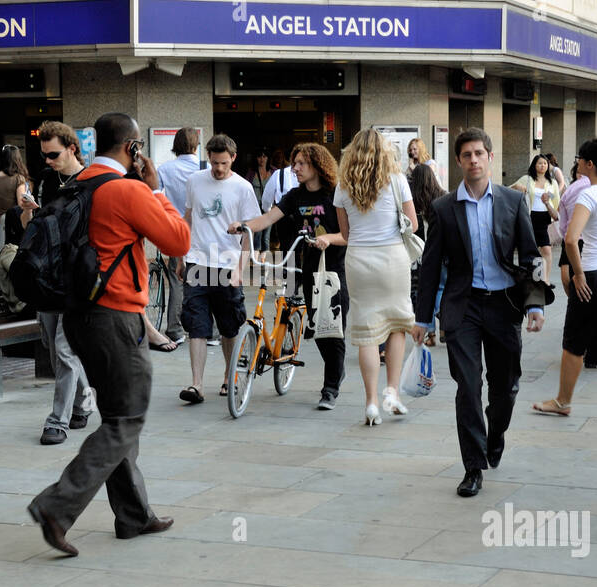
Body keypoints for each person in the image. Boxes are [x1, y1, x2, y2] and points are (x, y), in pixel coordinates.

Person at [25, 112, 191, 557]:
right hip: (117, 319)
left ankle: (134, 515)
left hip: (79, 318)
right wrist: (156, 188)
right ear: (134, 148)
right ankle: (57, 508)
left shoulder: (77, 185)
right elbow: (178, 240)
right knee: (126, 419)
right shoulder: (127, 190)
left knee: (118, 414)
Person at [413, 128, 546, 497]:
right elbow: (430, 265)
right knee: (468, 387)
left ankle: (496, 433)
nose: (473, 160)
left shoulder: (511, 201)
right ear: (458, 161)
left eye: (479, 153)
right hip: (463, 307)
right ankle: (473, 467)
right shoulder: (443, 208)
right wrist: (422, 318)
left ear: (490, 157)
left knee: (504, 389)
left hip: (504, 305)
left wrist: (535, 302)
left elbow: (531, 255)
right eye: (466, 155)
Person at [230, 142, 349, 410]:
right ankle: (336, 369)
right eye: (294, 163)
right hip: (309, 269)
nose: (294, 168)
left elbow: (347, 234)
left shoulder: (335, 194)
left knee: (333, 332)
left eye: (301, 164)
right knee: (318, 331)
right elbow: (268, 218)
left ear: (317, 166)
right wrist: (244, 226)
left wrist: (328, 239)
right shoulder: (294, 196)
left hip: (332, 271)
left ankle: (330, 387)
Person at [531, 139, 597, 423]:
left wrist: (577, 274)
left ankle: (563, 401)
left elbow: (571, 238)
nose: (576, 164)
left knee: (575, 341)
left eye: (580, 159)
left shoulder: (588, 196)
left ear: (590, 164)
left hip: (591, 273)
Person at [334, 127, 418, 424]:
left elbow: (345, 233)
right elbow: (414, 224)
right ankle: (392, 392)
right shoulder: (397, 180)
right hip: (393, 258)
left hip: (358, 260)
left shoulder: (343, 185)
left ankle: (370, 403)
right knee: (397, 325)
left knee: (367, 333)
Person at [178, 133, 260, 404]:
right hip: (197, 261)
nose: (219, 168)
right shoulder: (194, 181)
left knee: (229, 327)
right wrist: (181, 256)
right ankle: (196, 385)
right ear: (208, 159)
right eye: (214, 163)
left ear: (233, 159)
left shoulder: (243, 187)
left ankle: (229, 375)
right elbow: (188, 218)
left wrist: (241, 268)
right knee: (196, 325)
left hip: (227, 264)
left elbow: (249, 232)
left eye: (224, 163)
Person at [33, 120, 97, 444]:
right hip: (48, 275)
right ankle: (85, 398)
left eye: (53, 154)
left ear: (72, 148)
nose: (48, 160)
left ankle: (57, 420)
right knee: (53, 348)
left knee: (65, 347)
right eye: (44, 154)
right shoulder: (47, 179)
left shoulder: (91, 182)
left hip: (77, 276)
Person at [157, 127, 202, 344]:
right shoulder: (206, 168)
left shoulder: (164, 168)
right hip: (202, 232)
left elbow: (155, 197)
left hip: (175, 230)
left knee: (176, 280)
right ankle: (205, 330)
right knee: (204, 279)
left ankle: (174, 330)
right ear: (196, 144)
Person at [407, 161, 446, 346]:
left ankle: (432, 334)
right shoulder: (443, 197)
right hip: (445, 252)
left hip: (422, 253)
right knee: (441, 288)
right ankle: (444, 319)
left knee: (426, 291)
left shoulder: (412, 201)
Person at [511, 154, 561, 288]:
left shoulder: (552, 182)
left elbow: (556, 200)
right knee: (530, 248)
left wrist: (554, 212)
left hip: (544, 218)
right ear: (534, 165)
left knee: (546, 249)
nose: (542, 166)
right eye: (540, 163)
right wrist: (518, 187)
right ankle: (529, 277)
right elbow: (510, 189)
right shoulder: (527, 179)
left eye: (545, 163)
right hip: (529, 217)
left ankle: (545, 279)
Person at [0, 144, 33, 255]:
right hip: (14, 229)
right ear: (18, 159)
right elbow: (22, 205)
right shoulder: (18, 179)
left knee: (1, 261)